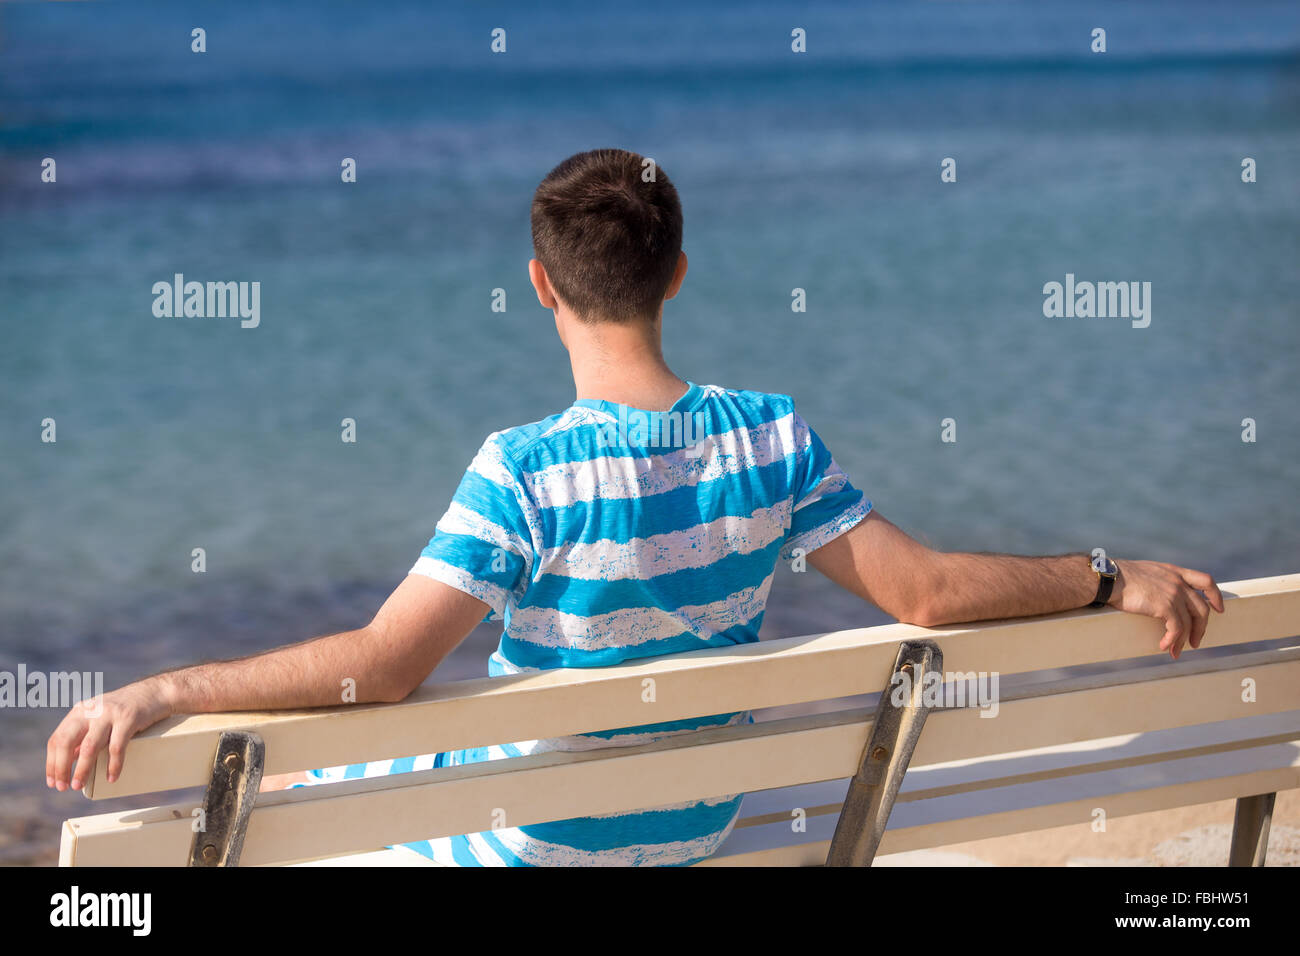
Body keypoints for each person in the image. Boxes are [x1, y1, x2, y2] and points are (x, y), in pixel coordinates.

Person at [45, 148, 1224, 865]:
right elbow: (927, 592)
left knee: (298, 782)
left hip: (529, 839)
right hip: (686, 826)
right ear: (677, 275)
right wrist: (1112, 575)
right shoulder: (771, 433)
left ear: (540, 284)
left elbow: (379, 669)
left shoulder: (522, 471)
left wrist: (160, 686)